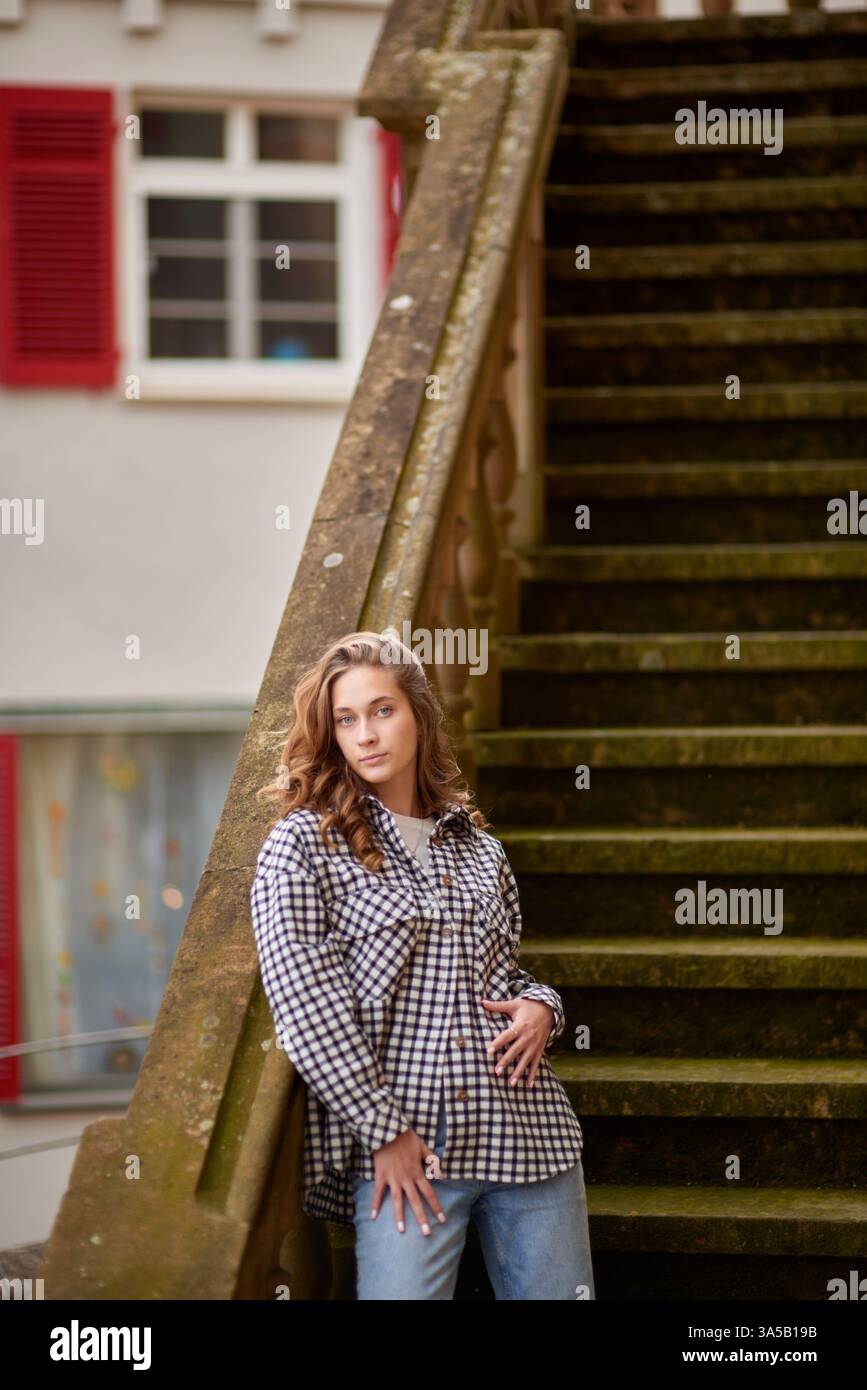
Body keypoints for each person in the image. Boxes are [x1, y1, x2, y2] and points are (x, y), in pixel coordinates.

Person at [249, 630, 595, 1300]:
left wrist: (542, 1007)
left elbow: (501, 976)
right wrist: (384, 1132)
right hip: (407, 1152)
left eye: (382, 710)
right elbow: (305, 1010)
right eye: (345, 720)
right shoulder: (302, 845)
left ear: (418, 715)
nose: (366, 734)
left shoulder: (477, 849)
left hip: (528, 1132)